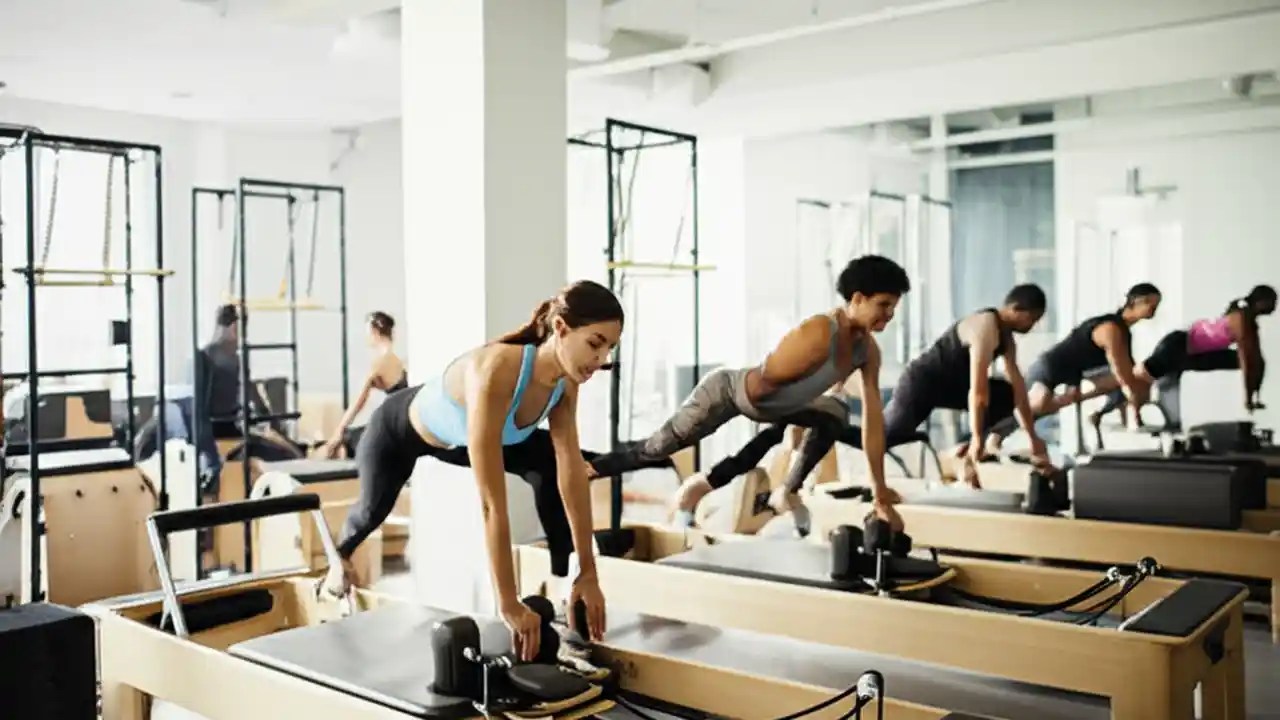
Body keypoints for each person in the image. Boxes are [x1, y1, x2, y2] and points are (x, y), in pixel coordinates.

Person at [324, 280, 620, 661]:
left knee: (553, 465)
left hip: (457, 441)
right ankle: (339, 557)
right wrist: (508, 601)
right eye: (595, 344)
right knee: (370, 513)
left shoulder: (565, 384)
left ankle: (564, 578)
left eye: (609, 349)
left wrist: (589, 572)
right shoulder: (496, 370)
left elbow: (571, 474)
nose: (599, 360)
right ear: (561, 328)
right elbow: (491, 505)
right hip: (396, 430)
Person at [588, 255, 912, 535]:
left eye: (893, 308)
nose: (889, 315)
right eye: (883, 305)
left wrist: (880, 494)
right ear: (856, 298)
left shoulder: (867, 351)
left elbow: (872, 424)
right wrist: (787, 430)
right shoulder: (818, 332)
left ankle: (788, 491)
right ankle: (591, 468)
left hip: (775, 408)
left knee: (836, 414)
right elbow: (766, 386)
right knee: (657, 448)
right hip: (728, 394)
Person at [685, 284, 1053, 498]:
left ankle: (969, 449)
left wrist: (1033, 439)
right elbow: (977, 393)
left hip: (946, 388)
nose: (1032, 327)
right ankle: (824, 418)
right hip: (923, 382)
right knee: (882, 437)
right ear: (1016, 310)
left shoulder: (1006, 337)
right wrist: (975, 438)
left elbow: (1018, 390)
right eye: (1032, 320)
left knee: (1008, 395)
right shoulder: (985, 326)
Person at [986, 283, 1162, 453]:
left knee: (1134, 378)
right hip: (1050, 368)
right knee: (1038, 405)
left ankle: (1102, 418)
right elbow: (1122, 373)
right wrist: (1133, 396)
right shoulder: (1111, 329)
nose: (1154, 310)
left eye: (1156, 306)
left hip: (1073, 374)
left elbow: (1127, 372)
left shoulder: (1123, 333)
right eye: (1151, 304)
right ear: (1137, 301)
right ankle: (993, 433)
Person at [1090, 284, 1276, 431]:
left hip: (1191, 354)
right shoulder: (1241, 320)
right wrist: (1247, 398)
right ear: (1260, 302)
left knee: (1141, 383)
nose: (1275, 306)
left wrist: (1254, 395)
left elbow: (1255, 360)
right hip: (1177, 348)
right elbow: (1246, 360)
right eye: (1272, 302)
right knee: (1136, 382)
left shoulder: (1249, 324)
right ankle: (1100, 399)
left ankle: (1112, 402)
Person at [318, 311, 408, 458]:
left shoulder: (379, 364)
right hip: (401, 424)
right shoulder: (402, 362)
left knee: (341, 445)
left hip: (395, 428)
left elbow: (358, 402)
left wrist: (338, 431)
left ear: (374, 331)